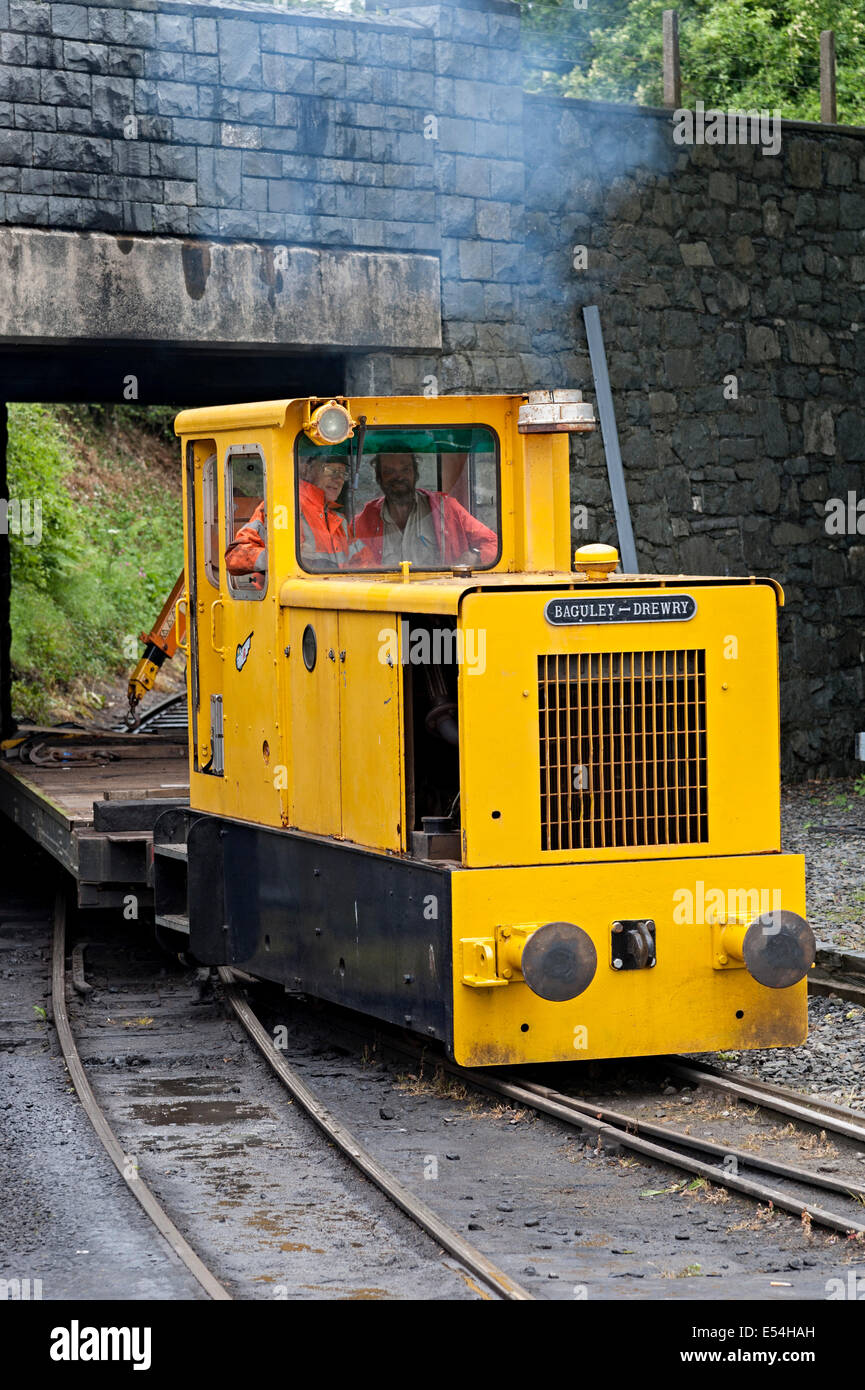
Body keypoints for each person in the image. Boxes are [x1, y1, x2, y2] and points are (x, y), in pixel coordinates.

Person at [224, 455, 361, 580]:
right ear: (308, 470)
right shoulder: (283, 507)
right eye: (331, 470)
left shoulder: (340, 521)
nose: (338, 479)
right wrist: (284, 559)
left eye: (343, 473)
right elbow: (235, 555)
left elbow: (363, 561)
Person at [351, 452, 498, 568]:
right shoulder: (363, 521)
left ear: (415, 474)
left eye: (405, 469)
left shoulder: (447, 509)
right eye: (389, 471)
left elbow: (494, 543)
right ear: (379, 478)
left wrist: (475, 555)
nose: (398, 477)